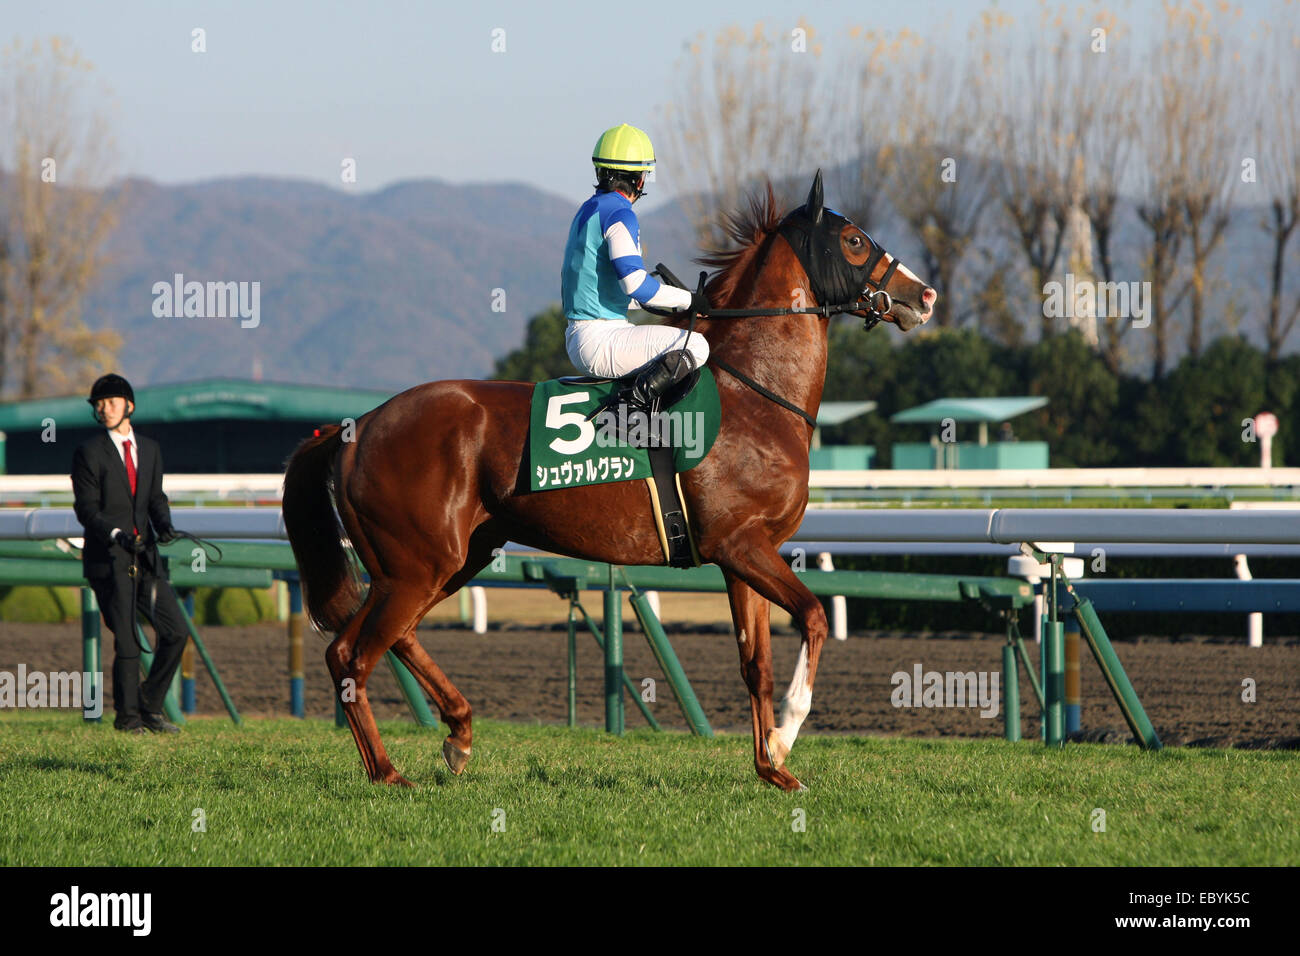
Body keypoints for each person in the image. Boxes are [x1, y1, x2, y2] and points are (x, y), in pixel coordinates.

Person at [561, 123, 710, 407]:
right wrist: (691, 300)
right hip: (601, 340)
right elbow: (636, 285)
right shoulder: (620, 213)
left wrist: (675, 302)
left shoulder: (589, 209)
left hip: (583, 335)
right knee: (697, 346)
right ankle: (630, 410)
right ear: (640, 180)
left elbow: (614, 293)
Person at [71, 373, 186, 734]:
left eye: (111, 403)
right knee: (128, 640)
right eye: (99, 405)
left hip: (145, 560)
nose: (104, 409)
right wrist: (117, 534)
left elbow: (155, 499)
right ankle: (128, 720)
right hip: (109, 560)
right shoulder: (89, 453)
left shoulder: (150, 450)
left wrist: (164, 524)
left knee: (176, 631)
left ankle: (149, 705)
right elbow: (87, 511)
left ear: (129, 406)